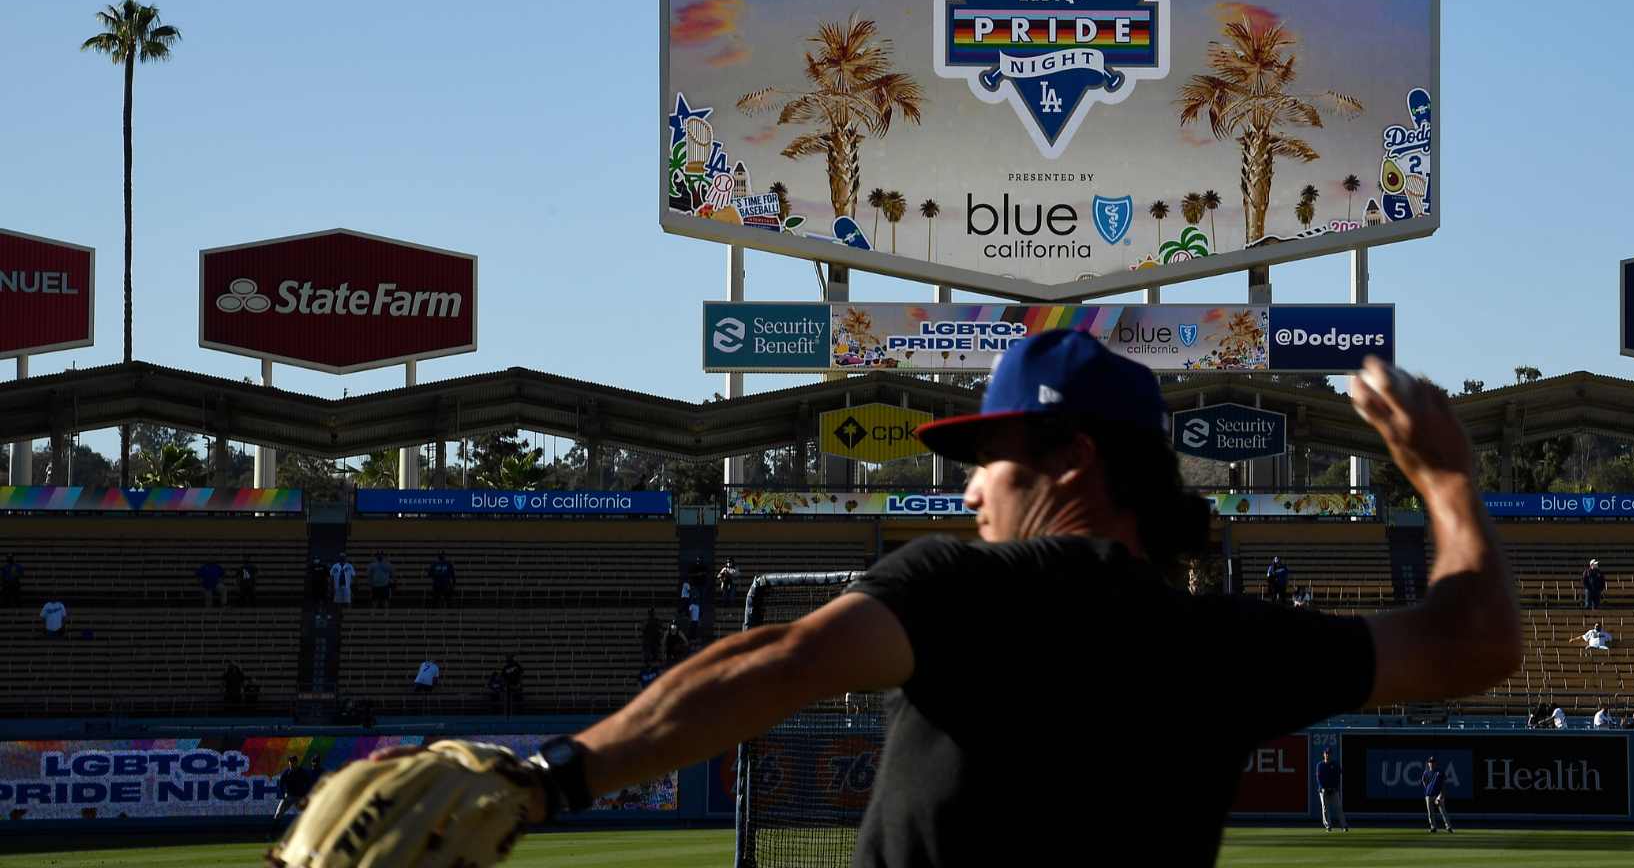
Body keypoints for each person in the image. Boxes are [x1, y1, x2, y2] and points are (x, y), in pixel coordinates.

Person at [279, 340, 1521, 868]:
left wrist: (550, 777)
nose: (972, 485)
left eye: (990, 456)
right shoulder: (1232, 641)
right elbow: (1470, 645)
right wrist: (1449, 482)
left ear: (1071, 464)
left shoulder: (978, 587)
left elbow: (773, 664)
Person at [272, 756, 311, 835]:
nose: (291, 764)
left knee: (307, 814)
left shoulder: (301, 772)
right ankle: (272, 834)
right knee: (278, 814)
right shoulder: (286, 772)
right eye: (290, 762)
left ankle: (309, 833)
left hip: (299, 797)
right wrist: (283, 795)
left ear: (296, 762)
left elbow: (308, 783)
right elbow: (281, 784)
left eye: (293, 762)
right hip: (289, 796)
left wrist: (305, 795)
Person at [1316, 749, 1348, 832]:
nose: (1327, 755)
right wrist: (1324, 788)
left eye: (1329, 754)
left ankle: (1344, 826)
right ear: (1323, 755)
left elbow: (1338, 777)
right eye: (1326, 753)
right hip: (1323, 790)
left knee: (1338, 808)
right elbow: (1319, 778)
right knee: (1325, 808)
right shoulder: (1320, 765)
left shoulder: (1335, 764)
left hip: (1334, 790)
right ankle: (1328, 826)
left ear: (1331, 755)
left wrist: (1333, 787)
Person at [1420, 755, 1454, 833]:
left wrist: (1441, 795)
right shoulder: (1426, 772)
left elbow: (1444, 784)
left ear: (1435, 763)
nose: (1431, 763)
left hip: (1437, 795)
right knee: (1430, 813)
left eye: (1433, 762)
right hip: (1428, 795)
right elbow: (1423, 780)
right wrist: (1427, 788)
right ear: (1428, 763)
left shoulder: (1439, 772)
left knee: (1443, 812)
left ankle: (1448, 827)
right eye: (1430, 762)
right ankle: (1433, 827)